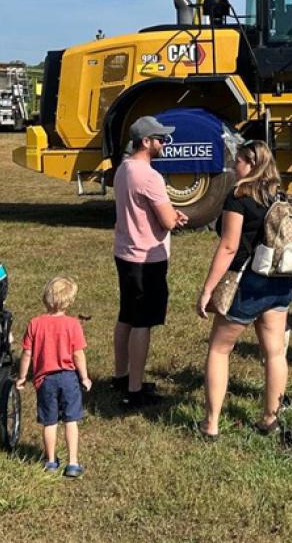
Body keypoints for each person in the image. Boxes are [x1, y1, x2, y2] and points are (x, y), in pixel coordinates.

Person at [196, 141, 292, 439]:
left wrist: (208, 289)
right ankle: (270, 418)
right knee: (275, 352)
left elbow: (229, 246)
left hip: (246, 283)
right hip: (278, 281)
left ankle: (211, 423)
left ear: (249, 163)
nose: (233, 166)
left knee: (219, 348)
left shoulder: (239, 196)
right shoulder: (277, 196)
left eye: (237, 160)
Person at [112, 116, 188, 407]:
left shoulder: (123, 169)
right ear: (146, 142)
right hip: (147, 258)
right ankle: (135, 389)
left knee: (126, 316)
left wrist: (169, 212)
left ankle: (121, 375)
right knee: (143, 321)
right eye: (161, 139)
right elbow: (167, 220)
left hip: (125, 252)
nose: (165, 144)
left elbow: (145, 208)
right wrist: (175, 217)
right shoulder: (150, 176)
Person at [16, 277, 91, 478]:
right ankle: (73, 463)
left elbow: (27, 354)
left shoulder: (35, 324)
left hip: (44, 380)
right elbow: (78, 354)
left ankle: (50, 460)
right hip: (68, 378)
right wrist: (84, 377)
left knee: (49, 422)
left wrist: (22, 376)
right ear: (69, 301)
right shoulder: (73, 324)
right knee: (71, 420)